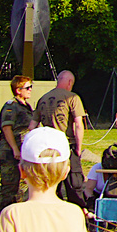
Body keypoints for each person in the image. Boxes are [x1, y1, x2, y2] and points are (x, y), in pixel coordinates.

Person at [35, 70, 90, 210]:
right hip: (67, 145)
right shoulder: (72, 97)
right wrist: (78, 148)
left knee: (52, 182)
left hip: (48, 147)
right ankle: (77, 211)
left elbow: (32, 126)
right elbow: (78, 124)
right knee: (74, 183)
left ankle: (52, 211)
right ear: (70, 82)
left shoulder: (43, 99)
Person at [0, 75, 35, 227]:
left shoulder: (26, 106)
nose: (30, 90)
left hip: (22, 151)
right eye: (27, 87)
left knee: (20, 188)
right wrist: (15, 149)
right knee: (9, 187)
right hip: (9, 152)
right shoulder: (11, 106)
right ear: (18, 90)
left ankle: (14, 222)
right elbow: (7, 128)